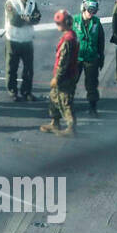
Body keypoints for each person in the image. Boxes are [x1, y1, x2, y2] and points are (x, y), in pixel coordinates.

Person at [40, 9, 81, 137]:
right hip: (65, 75)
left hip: (65, 77)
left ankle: (71, 127)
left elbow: (63, 62)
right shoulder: (69, 36)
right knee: (54, 98)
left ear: (66, 23)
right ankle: (55, 122)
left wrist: (57, 78)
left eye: (59, 23)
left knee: (65, 101)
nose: (57, 25)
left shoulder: (68, 39)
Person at [4, 0, 41, 100]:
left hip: (27, 39)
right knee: (12, 67)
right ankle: (12, 91)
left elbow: (37, 18)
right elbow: (14, 21)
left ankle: (27, 91)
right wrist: (28, 19)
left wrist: (24, 18)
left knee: (29, 69)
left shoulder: (32, 3)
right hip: (13, 39)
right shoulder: (11, 2)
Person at [72, 0, 105, 117]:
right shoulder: (74, 20)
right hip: (76, 58)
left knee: (92, 84)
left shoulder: (96, 22)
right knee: (71, 82)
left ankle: (93, 108)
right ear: (84, 8)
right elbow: (67, 38)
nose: (92, 13)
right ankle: (67, 105)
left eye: (94, 11)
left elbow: (101, 41)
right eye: (90, 10)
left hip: (91, 57)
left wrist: (101, 57)